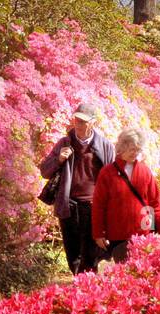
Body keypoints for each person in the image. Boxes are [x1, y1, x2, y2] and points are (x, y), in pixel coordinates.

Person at [38, 103, 115, 274]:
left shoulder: (105, 146)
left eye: (83, 122)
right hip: (69, 205)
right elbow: (44, 171)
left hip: (93, 206)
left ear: (92, 122)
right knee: (72, 253)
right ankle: (81, 288)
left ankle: (87, 290)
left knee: (91, 253)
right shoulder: (65, 143)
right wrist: (59, 159)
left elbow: (112, 181)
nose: (78, 125)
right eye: (76, 120)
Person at [92, 128, 160, 265]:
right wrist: (98, 233)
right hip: (118, 234)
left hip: (144, 232)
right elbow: (99, 205)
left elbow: (155, 202)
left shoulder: (144, 171)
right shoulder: (107, 172)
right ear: (122, 148)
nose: (135, 153)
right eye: (132, 149)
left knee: (144, 272)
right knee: (124, 274)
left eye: (138, 150)